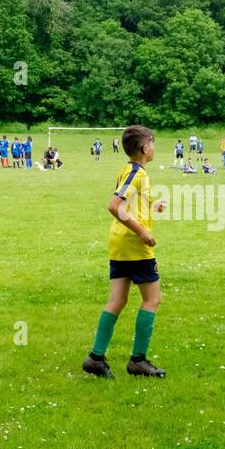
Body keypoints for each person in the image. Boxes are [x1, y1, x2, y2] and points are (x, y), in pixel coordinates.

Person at [82, 125, 167, 379]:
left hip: (118, 243)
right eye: (152, 143)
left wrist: (153, 206)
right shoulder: (137, 173)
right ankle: (138, 361)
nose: (154, 147)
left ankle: (96, 358)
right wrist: (141, 231)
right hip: (133, 246)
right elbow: (115, 205)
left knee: (117, 300)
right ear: (144, 148)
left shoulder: (130, 170)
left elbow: (132, 203)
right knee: (152, 299)